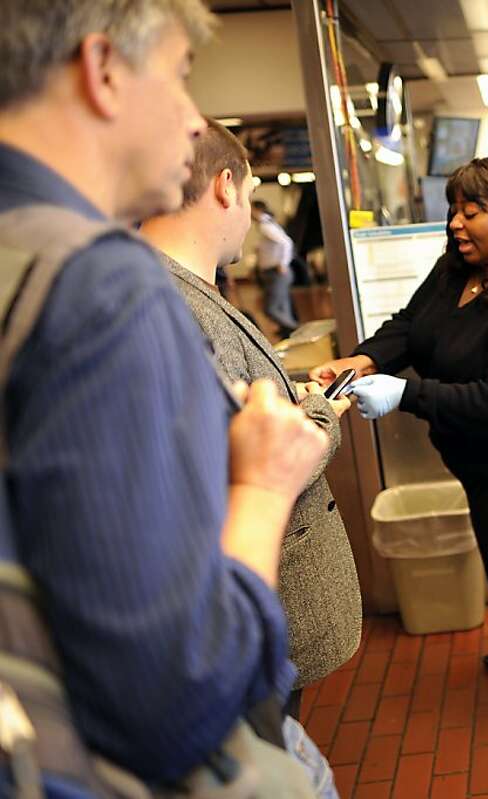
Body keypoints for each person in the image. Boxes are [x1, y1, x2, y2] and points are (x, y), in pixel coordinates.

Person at [0, 0, 330, 789]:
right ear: (104, 70)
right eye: (181, 78)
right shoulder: (101, 286)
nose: (192, 122)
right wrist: (261, 484)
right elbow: (179, 698)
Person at [310, 156, 488, 750]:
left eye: (475, 211)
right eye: (454, 209)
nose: (457, 224)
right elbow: (410, 325)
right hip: (480, 457)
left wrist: (406, 393)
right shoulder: (459, 269)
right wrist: (362, 360)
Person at [140, 119, 363, 704]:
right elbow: (238, 458)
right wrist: (318, 414)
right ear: (224, 186)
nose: (247, 212)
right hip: (255, 591)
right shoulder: (176, 303)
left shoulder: (177, 287)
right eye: (250, 191)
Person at [253, 198, 300, 337]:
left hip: (276, 272)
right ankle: (293, 334)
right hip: (274, 272)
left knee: (271, 309)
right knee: (283, 308)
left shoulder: (265, 225)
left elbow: (286, 242)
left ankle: (297, 331)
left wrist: (283, 263)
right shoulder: (267, 223)